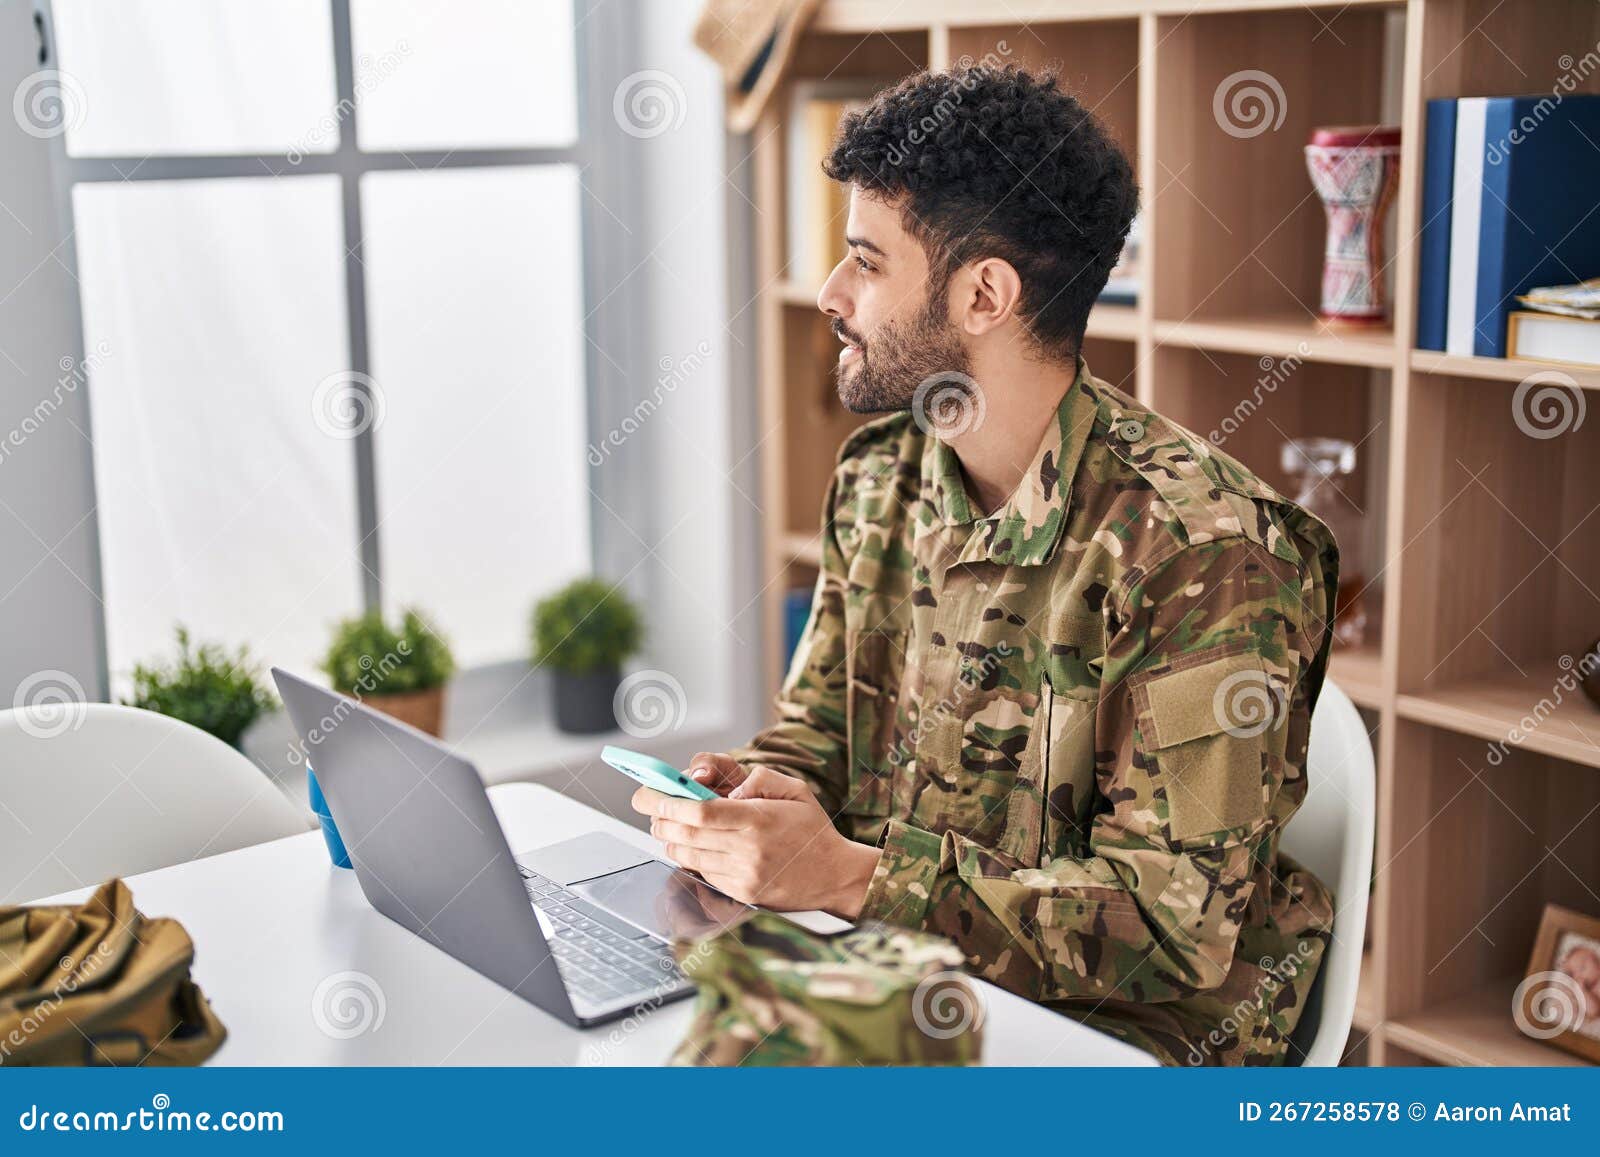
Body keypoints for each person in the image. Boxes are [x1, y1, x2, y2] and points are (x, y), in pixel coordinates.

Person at [631, 63, 1339, 1066]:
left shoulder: (1206, 553)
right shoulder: (883, 477)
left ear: (984, 293)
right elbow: (821, 725)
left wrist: (850, 878)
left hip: (1122, 1044)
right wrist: (762, 795)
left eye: (865, 262)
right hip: (905, 973)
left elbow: (1173, 928)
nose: (831, 295)